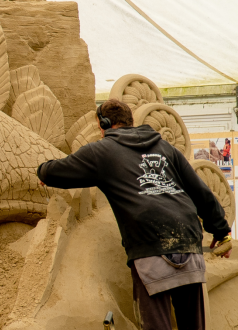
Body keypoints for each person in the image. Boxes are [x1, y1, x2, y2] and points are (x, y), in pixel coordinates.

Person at [36, 99, 231, 330]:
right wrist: (221, 230)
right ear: (131, 122)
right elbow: (200, 191)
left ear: (103, 124)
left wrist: (43, 172)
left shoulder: (102, 151)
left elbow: (54, 170)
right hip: (188, 241)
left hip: (150, 245)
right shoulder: (166, 148)